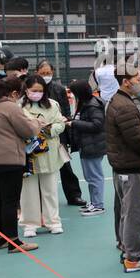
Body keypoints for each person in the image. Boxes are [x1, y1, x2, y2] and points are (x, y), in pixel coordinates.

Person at [0, 76, 40, 252]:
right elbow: (27, 130)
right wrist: (36, 123)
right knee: (10, 201)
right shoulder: (9, 107)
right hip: (9, 161)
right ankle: (14, 241)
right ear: (13, 93)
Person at [105, 68, 140, 272]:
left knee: (129, 211)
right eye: (137, 79)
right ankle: (133, 258)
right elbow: (137, 139)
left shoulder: (119, 101)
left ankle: (130, 250)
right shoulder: (125, 106)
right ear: (126, 82)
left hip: (125, 165)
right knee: (135, 211)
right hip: (132, 166)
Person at [17, 76, 68, 239]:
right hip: (28, 153)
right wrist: (32, 130)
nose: (37, 93)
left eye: (40, 90)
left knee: (50, 190)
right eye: (34, 91)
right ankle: (30, 224)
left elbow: (61, 123)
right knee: (28, 191)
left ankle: (53, 222)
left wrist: (48, 130)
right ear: (26, 90)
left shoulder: (53, 105)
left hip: (49, 152)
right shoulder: (18, 106)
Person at [34, 61, 84, 206]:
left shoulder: (59, 89)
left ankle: (74, 195)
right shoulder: (32, 89)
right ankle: (39, 200)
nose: (46, 76)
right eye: (43, 73)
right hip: (38, 134)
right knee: (38, 167)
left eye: (48, 73)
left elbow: (66, 111)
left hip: (58, 134)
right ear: (37, 72)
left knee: (65, 165)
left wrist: (66, 132)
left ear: (53, 73)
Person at [67, 80, 106, 216]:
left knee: (94, 176)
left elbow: (97, 125)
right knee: (91, 176)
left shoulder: (92, 106)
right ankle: (94, 202)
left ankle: (98, 205)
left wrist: (74, 124)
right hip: (88, 145)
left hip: (93, 145)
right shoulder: (86, 103)